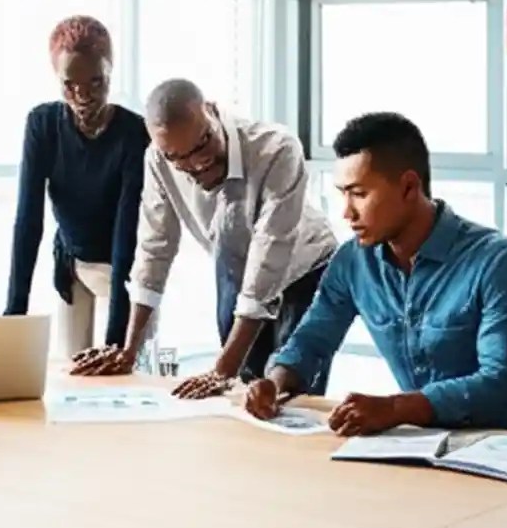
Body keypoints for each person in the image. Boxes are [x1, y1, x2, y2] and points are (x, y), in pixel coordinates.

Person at [243, 113, 507, 438]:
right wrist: (275, 381)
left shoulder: (497, 260)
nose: (347, 212)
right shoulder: (352, 261)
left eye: (359, 194)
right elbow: (310, 341)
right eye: (343, 193)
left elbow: (501, 386)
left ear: (409, 186)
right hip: (436, 446)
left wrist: (394, 409)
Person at [72, 78, 337, 399]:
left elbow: (270, 254)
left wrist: (223, 369)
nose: (196, 163)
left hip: (307, 268)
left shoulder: (276, 148)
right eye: (178, 158)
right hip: (235, 268)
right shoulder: (157, 160)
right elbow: (154, 250)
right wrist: (129, 351)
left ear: (211, 111)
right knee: (240, 393)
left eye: (203, 143)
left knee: (288, 393)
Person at [4, 15, 150, 359]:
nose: (83, 95)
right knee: (72, 370)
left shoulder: (134, 133)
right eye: (70, 84)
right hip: (72, 265)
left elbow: (126, 232)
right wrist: (14, 315)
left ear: (110, 71)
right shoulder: (42, 124)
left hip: (123, 270)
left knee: (122, 372)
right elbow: (28, 220)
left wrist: (116, 343)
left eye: (96, 82)